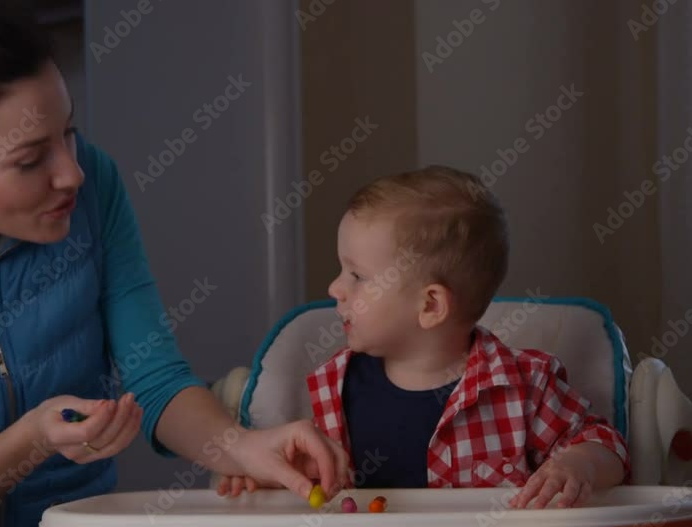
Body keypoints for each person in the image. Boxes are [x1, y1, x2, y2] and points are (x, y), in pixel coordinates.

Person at [0, 2, 348, 525]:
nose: (71, 173)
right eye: (30, 159)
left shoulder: (94, 187)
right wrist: (31, 442)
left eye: (68, 134)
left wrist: (243, 446)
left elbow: (154, 379)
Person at [217, 167, 628, 509]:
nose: (335, 288)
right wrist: (271, 483)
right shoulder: (333, 389)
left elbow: (606, 442)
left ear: (430, 306)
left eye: (356, 276)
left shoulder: (526, 387)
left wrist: (580, 466)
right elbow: (315, 492)